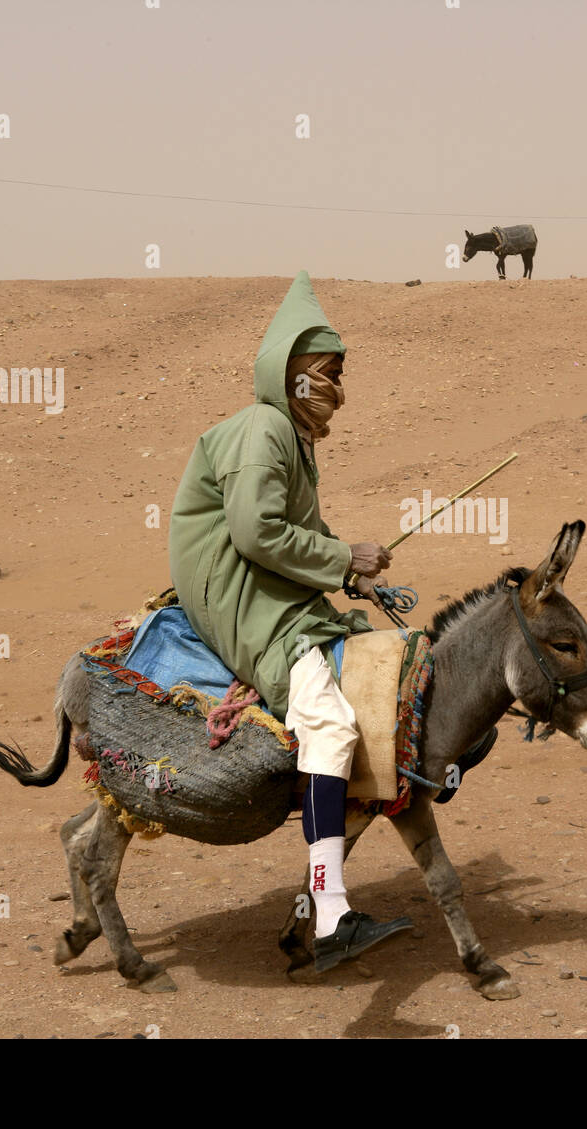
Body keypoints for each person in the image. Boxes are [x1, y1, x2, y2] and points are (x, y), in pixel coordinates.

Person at [169, 271, 412, 971]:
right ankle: (332, 913)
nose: (339, 386)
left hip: (273, 588)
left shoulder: (293, 441)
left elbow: (302, 531)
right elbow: (253, 532)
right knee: (333, 722)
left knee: (379, 662)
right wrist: (342, 558)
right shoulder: (264, 427)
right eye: (330, 372)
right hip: (241, 593)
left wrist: (355, 573)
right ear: (299, 372)